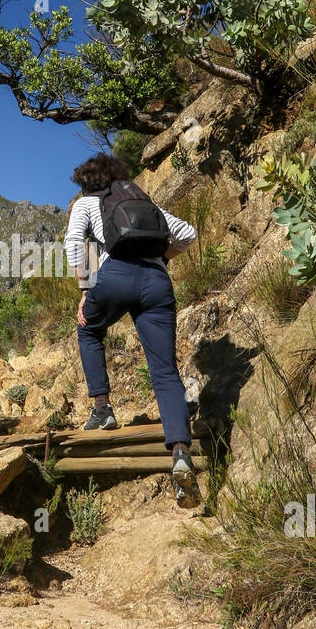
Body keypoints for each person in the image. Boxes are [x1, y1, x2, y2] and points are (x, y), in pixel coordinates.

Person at [64, 153, 199, 496]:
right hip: (156, 281)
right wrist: (163, 258)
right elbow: (188, 232)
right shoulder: (139, 200)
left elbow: (74, 244)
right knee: (165, 371)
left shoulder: (84, 204)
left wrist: (85, 288)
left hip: (112, 277)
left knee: (89, 328)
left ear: (85, 181)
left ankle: (102, 409)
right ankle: (181, 451)